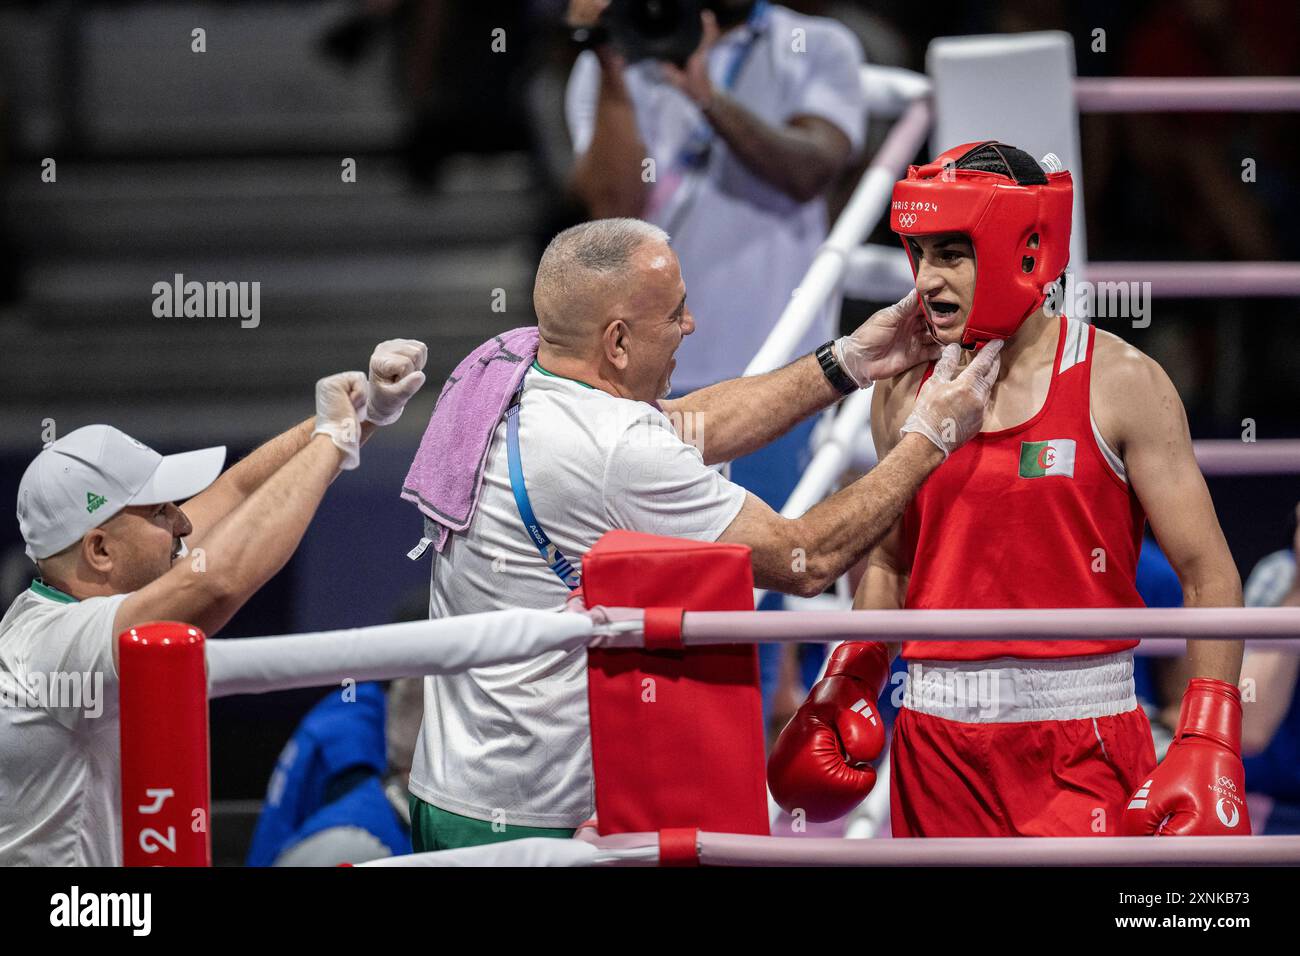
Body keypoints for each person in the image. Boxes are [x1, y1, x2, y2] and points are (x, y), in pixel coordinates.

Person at [406, 216, 1001, 850]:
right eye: (675, 314)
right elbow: (807, 558)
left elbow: (687, 423)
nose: (690, 326)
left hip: (447, 782)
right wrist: (929, 437)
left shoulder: (501, 369)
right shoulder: (616, 450)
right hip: (533, 817)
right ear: (617, 343)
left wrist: (848, 360)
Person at [769, 142, 1249, 838]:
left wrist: (1208, 736)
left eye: (953, 254)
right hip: (933, 744)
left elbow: (1209, 576)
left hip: (1080, 744)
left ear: (1026, 252)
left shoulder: (1122, 383)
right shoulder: (904, 389)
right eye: (921, 253)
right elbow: (893, 562)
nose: (928, 280)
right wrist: (853, 676)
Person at [0, 340, 428, 865]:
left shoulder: (86, 591)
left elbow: (237, 493)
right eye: (161, 512)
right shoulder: (53, 644)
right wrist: (331, 440)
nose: (183, 524)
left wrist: (355, 420)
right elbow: (218, 581)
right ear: (101, 549)